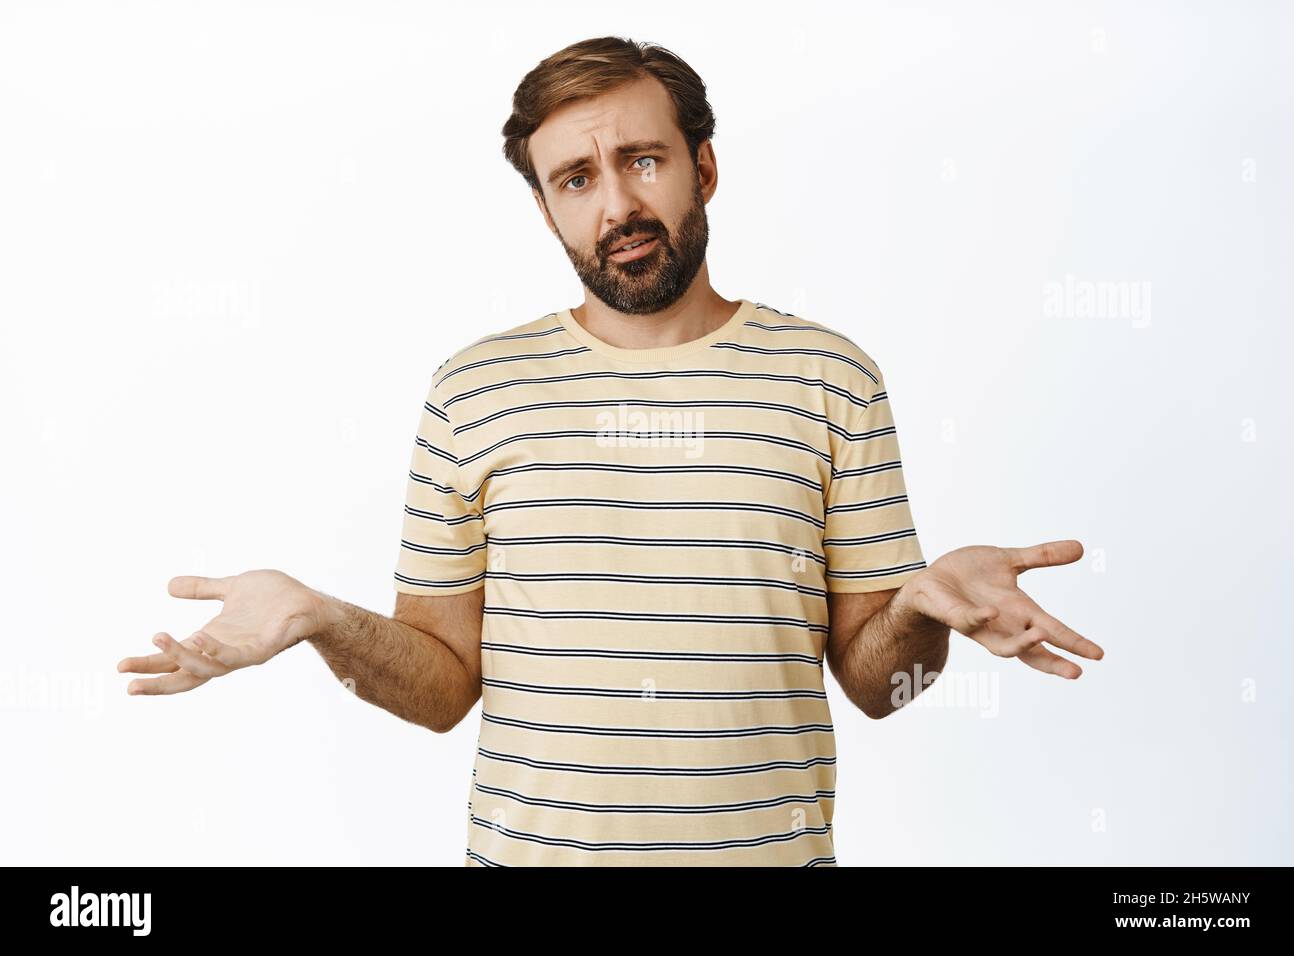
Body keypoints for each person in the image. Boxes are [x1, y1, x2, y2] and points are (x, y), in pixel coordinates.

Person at [119, 36, 1103, 866]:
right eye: (576, 179)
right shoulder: (474, 390)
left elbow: (880, 689)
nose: (615, 205)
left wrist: (923, 609)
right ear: (546, 208)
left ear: (703, 167)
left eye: (643, 159)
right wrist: (319, 617)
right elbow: (441, 691)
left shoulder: (830, 377)